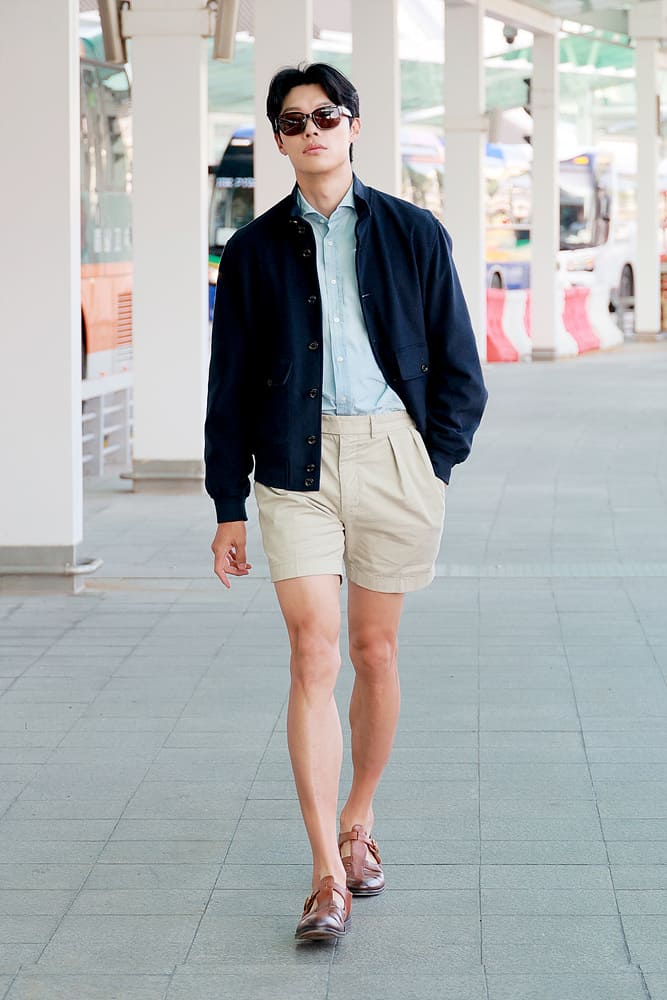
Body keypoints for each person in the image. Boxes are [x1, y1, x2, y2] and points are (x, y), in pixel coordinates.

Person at [205, 62, 487, 943]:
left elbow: (457, 366)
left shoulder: (411, 232)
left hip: (394, 456)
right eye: (293, 122)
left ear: (353, 126)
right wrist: (227, 504)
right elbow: (229, 387)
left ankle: (358, 818)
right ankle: (325, 874)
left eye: (326, 115)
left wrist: (430, 459)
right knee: (312, 653)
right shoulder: (251, 252)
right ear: (280, 142)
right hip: (293, 464)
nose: (311, 131)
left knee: (374, 647)